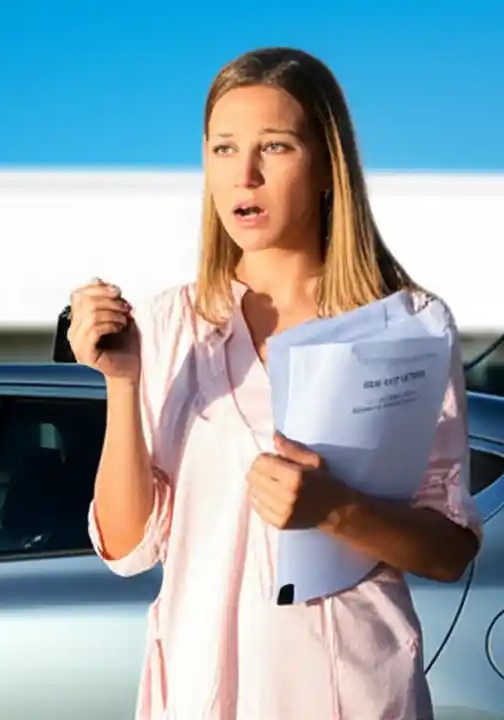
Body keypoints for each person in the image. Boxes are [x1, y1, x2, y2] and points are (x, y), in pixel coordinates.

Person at [68, 47, 483, 719]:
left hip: (346, 691)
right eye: (224, 149)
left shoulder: (409, 324)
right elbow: (126, 547)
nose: (246, 175)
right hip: (200, 692)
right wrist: (122, 380)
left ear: (327, 166)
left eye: (276, 147)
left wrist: (337, 510)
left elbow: (449, 550)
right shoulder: (171, 322)